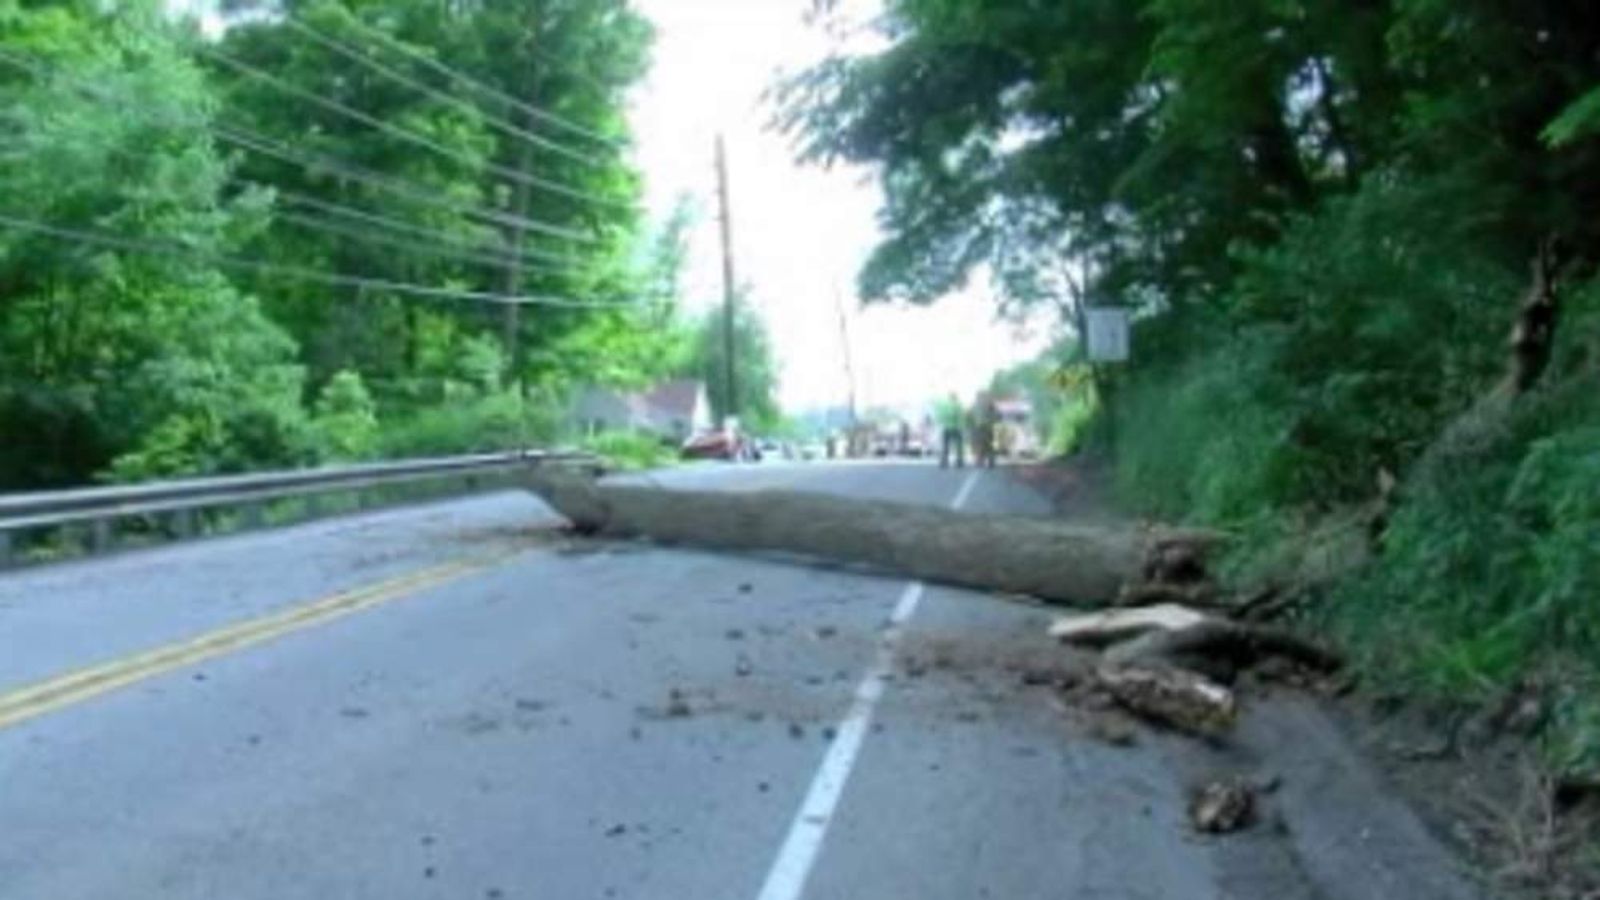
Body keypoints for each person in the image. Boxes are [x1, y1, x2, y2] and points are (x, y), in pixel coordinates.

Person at [935, 393, 966, 468]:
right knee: (958, 445)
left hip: (946, 427)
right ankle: (959, 461)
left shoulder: (945, 406)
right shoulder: (958, 405)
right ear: (955, 397)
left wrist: (941, 424)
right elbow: (960, 416)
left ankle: (944, 461)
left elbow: (940, 416)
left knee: (945, 445)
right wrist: (962, 426)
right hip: (956, 427)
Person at [971, 394, 1000, 468]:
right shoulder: (991, 405)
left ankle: (981, 461)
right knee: (988, 445)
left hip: (980, 428)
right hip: (988, 427)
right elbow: (998, 416)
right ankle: (989, 461)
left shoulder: (975, 406)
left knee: (981, 445)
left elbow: (969, 417)